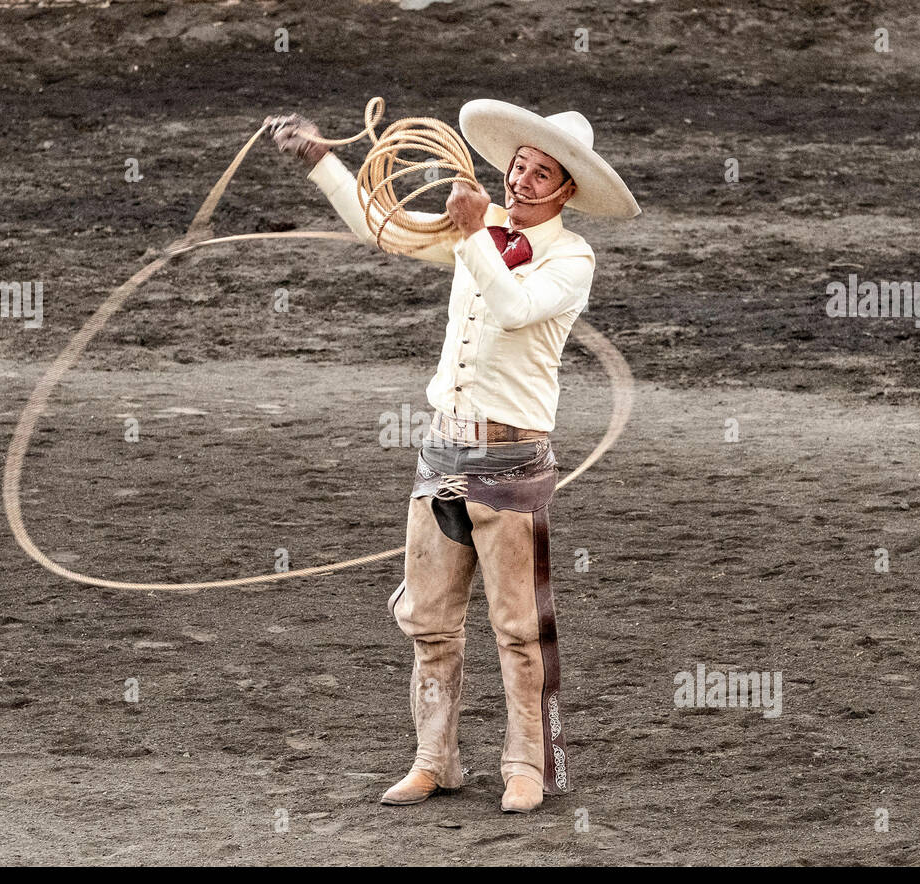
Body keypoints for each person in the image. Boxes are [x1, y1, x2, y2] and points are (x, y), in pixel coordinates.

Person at [266, 100, 640, 812]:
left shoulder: (571, 259)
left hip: (512, 463)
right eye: (519, 167)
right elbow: (386, 229)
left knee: (518, 629)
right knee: (429, 620)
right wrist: (320, 160)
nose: (523, 182)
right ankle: (434, 758)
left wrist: (472, 233)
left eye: (542, 175)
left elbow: (512, 308)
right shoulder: (484, 230)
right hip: (442, 453)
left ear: (567, 193)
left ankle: (527, 765)